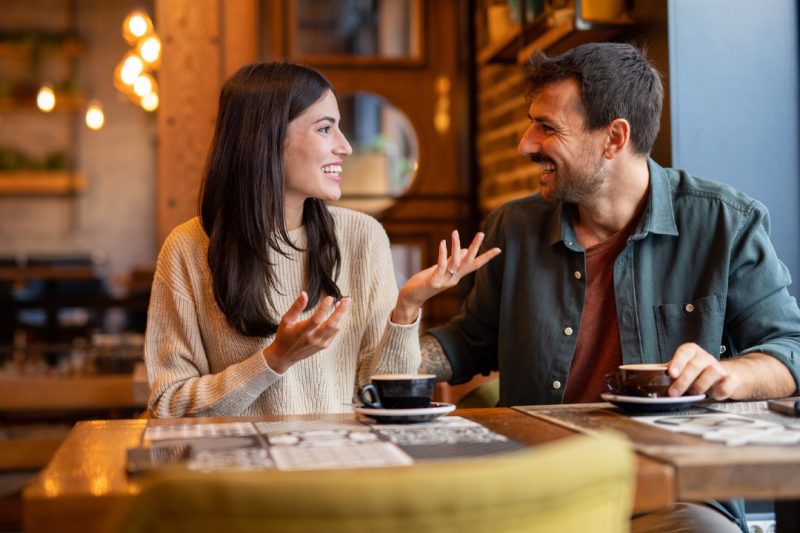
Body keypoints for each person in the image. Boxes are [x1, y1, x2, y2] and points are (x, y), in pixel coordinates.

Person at [420, 42, 800, 533]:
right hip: (533, 492)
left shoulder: (726, 223)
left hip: (672, 498)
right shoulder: (512, 227)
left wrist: (728, 376)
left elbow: (790, 350)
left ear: (614, 137)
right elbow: (471, 341)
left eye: (548, 127)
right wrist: (399, 330)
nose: (526, 144)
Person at [144, 62, 500, 418]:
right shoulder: (188, 248)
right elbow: (168, 406)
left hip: (339, 466)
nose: (345, 147)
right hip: (239, 470)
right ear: (266, 137)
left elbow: (380, 395)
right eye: (325, 128)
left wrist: (406, 308)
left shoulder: (362, 237)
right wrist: (273, 360)